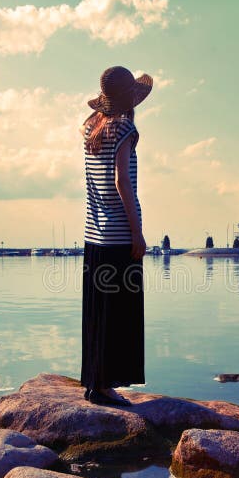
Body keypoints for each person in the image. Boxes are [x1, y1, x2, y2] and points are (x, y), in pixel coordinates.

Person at [79, 66, 152, 406]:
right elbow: (123, 181)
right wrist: (137, 231)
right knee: (120, 312)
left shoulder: (90, 127)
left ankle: (95, 380)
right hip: (119, 233)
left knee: (98, 311)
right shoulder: (124, 127)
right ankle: (105, 386)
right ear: (130, 99)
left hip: (93, 234)